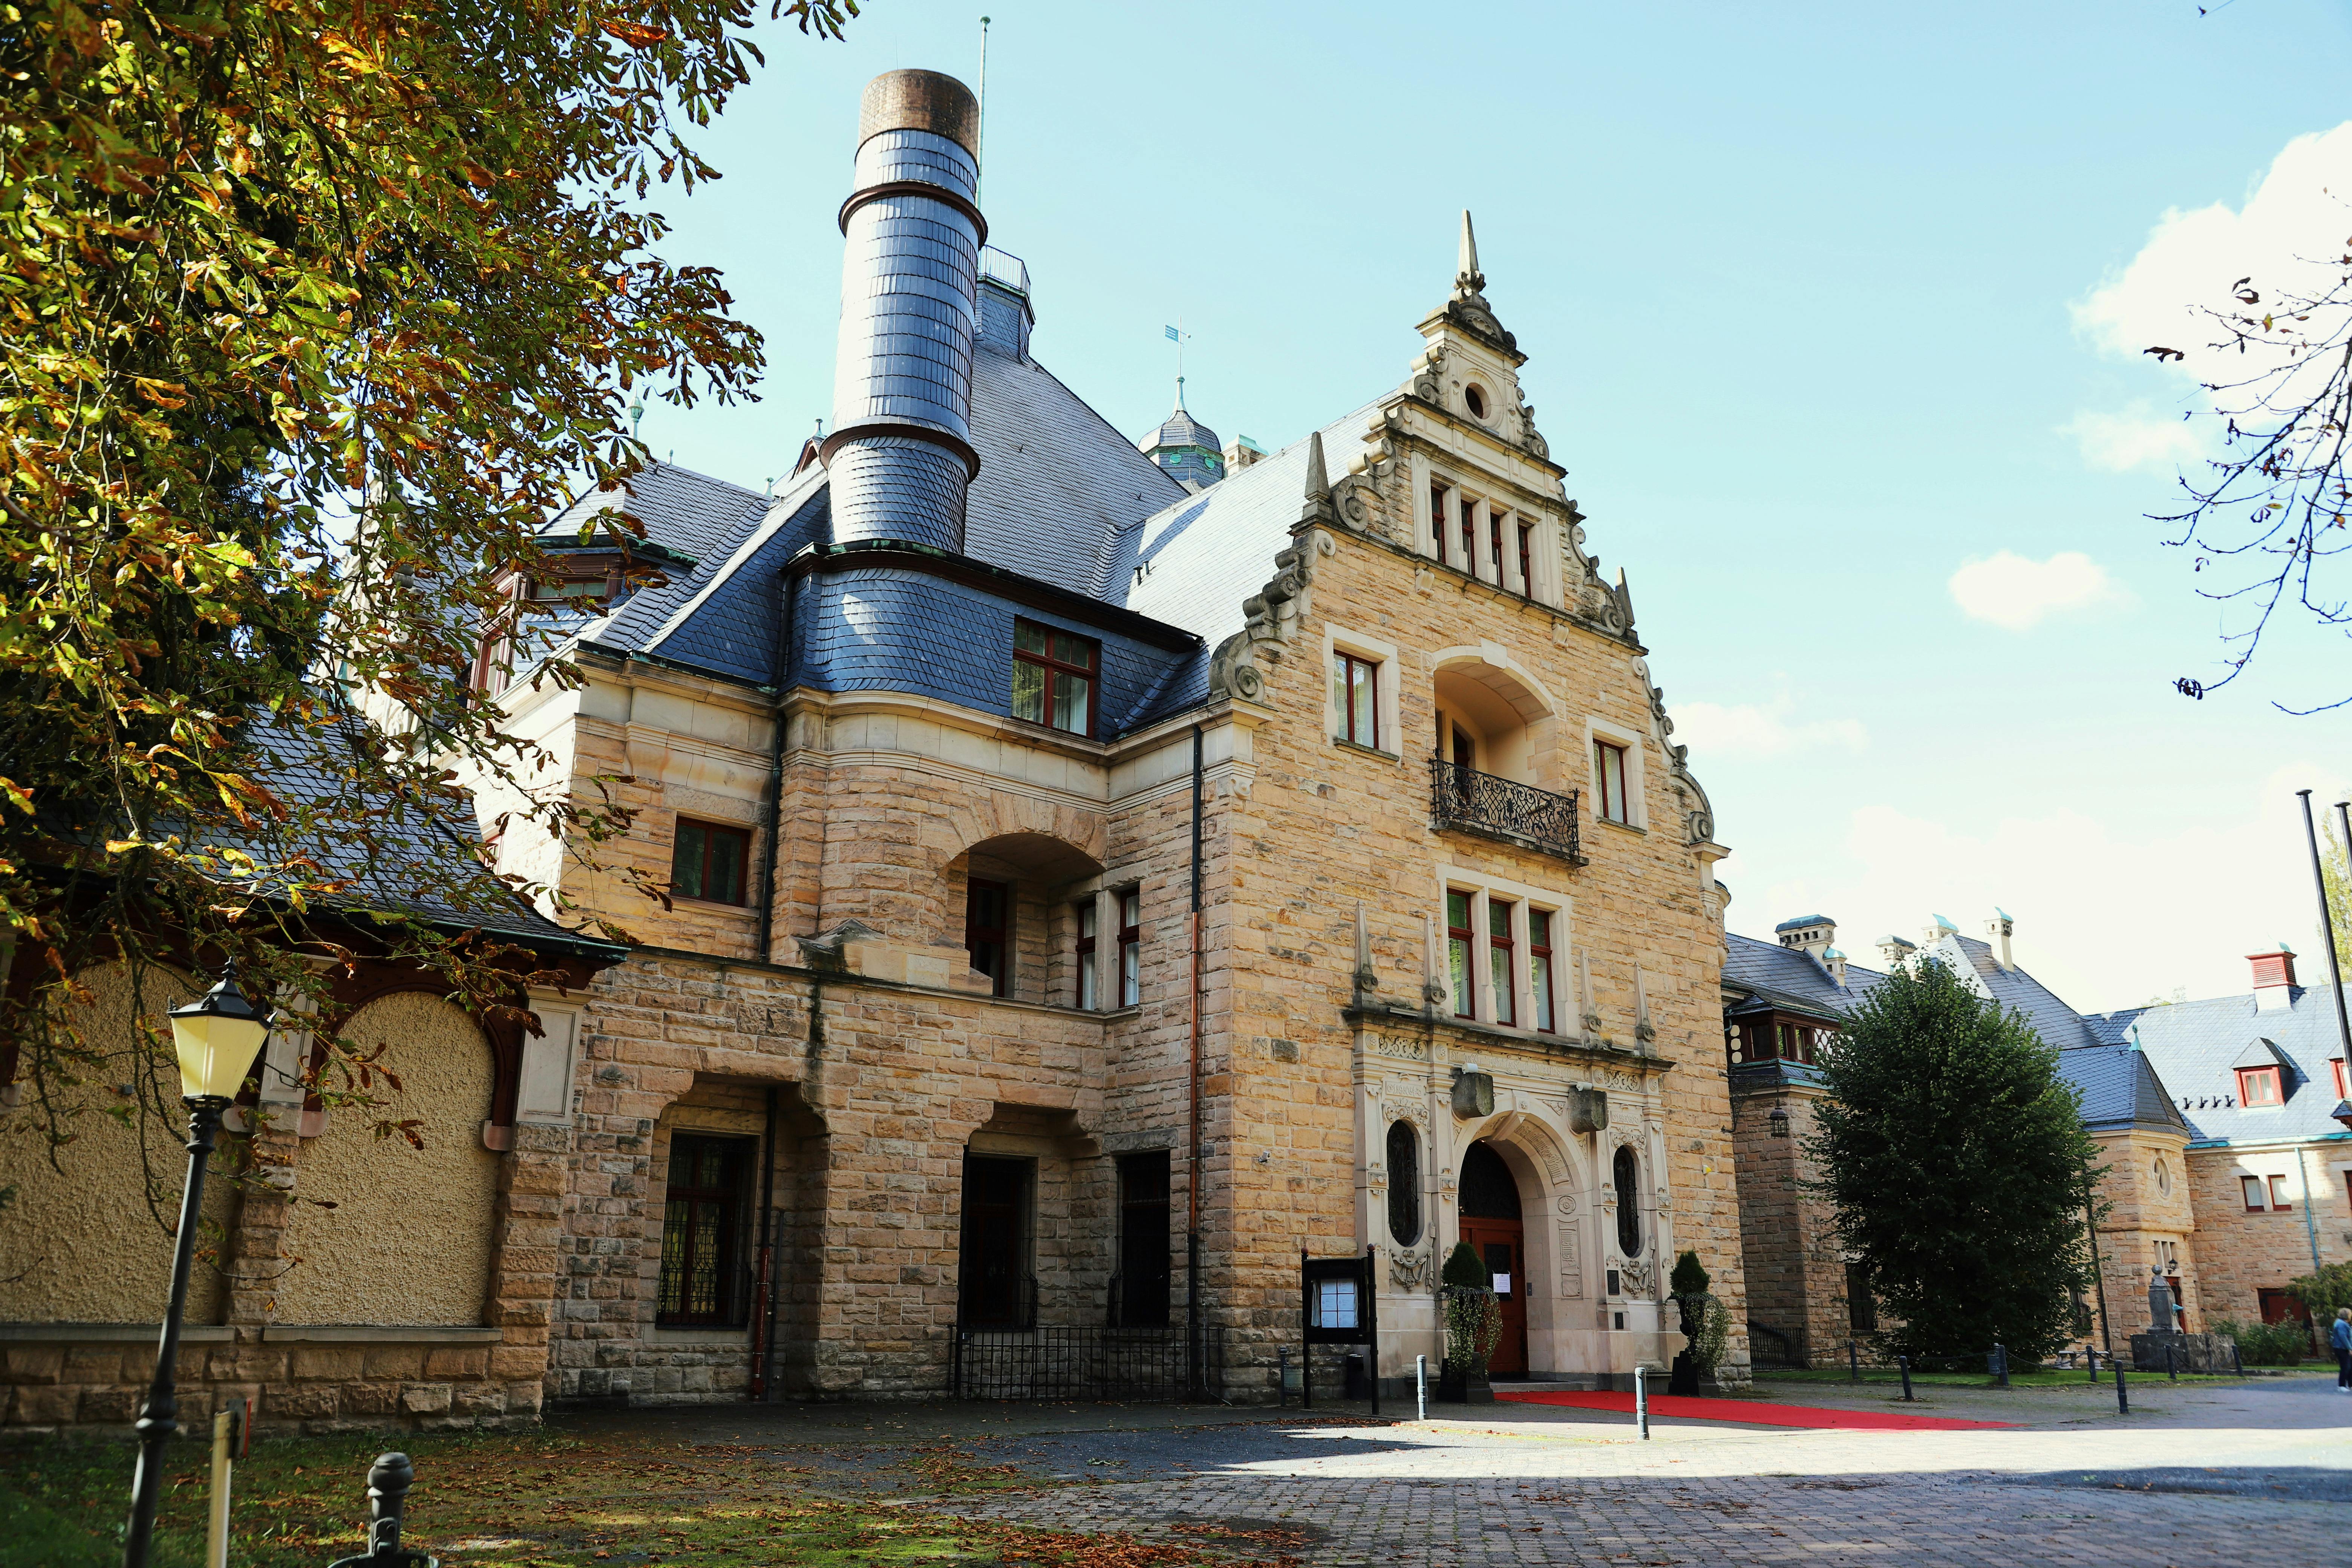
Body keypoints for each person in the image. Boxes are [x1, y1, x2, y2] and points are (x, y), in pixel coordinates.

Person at [2334, 1306, 2352, 1393]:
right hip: (2342, 1348)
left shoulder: (2340, 1323)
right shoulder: (2342, 1324)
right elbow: (2343, 1337)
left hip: (2342, 1348)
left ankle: (2350, 1384)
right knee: (2346, 1367)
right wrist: (2349, 1348)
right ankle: (2341, 1386)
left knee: (2350, 1366)